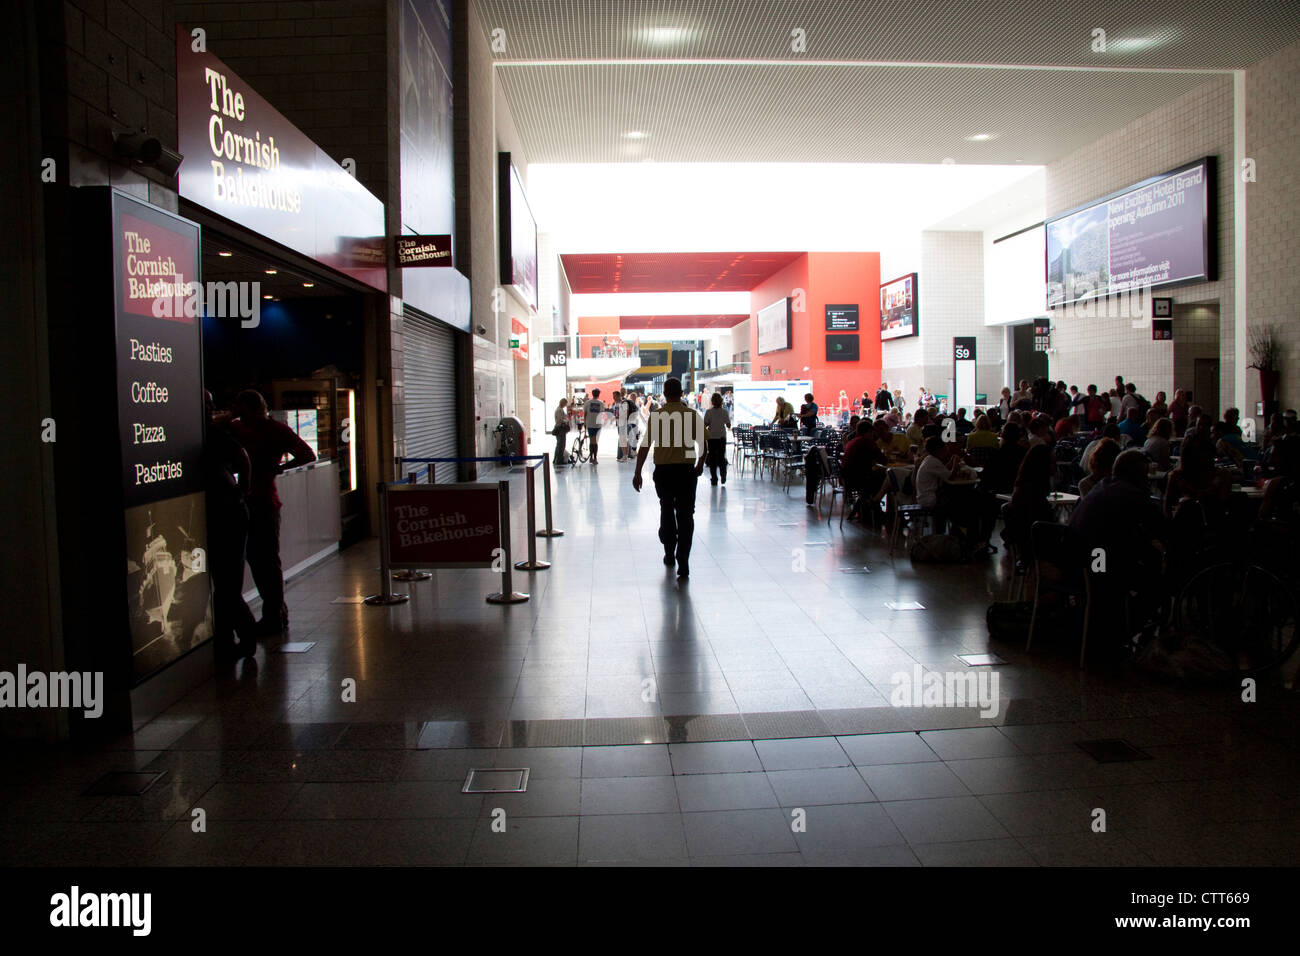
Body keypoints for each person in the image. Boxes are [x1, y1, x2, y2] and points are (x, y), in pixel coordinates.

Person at [230, 389, 316, 637]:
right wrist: (279, 468)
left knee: (261, 562)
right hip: (265, 502)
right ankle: (276, 613)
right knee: (266, 561)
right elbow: (307, 454)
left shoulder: (240, 429)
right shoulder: (275, 429)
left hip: (253, 503)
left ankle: (274, 615)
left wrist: (278, 469)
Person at [633, 377, 705, 579]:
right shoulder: (692, 415)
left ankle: (668, 550)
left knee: (666, 507)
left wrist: (638, 472)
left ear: (664, 393)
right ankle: (683, 557)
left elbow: (645, 446)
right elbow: (703, 444)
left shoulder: (657, 416)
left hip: (664, 471)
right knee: (686, 515)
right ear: (681, 392)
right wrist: (699, 464)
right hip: (686, 472)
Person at [204, 392, 256, 662]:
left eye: (211, 404)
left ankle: (243, 638)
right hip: (229, 510)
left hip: (226, 513)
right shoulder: (215, 433)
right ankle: (231, 639)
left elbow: (243, 458)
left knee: (226, 582)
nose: (212, 409)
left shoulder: (211, 434)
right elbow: (242, 459)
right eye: (208, 404)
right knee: (227, 580)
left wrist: (242, 491)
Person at [703, 392, 731, 485]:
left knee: (712, 458)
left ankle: (714, 478)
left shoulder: (708, 412)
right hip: (721, 437)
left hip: (711, 437)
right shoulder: (724, 412)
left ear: (712, 401)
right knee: (721, 457)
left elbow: (705, 424)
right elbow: (728, 425)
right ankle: (723, 475)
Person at [584, 388, 607, 463]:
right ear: (599, 394)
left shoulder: (587, 403)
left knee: (592, 441)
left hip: (590, 424)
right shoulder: (601, 403)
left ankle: (592, 457)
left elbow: (585, 414)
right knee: (595, 442)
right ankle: (595, 457)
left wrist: (585, 423)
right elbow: (603, 414)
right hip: (598, 425)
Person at [552, 398, 571, 466]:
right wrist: (566, 421)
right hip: (560, 429)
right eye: (565, 403)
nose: (566, 405)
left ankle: (556, 459)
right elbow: (560, 420)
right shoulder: (559, 410)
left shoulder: (560, 409)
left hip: (559, 428)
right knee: (561, 445)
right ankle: (559, 460)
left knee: (559, 444)